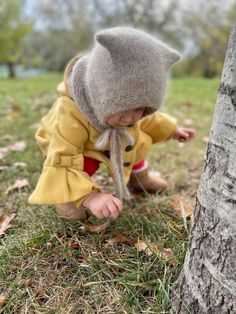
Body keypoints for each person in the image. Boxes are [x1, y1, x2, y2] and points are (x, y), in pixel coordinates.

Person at [28, 27, 195, 221]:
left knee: (134, 140)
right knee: (80, 166)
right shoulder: (70, 112)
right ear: (101, 94)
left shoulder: (132, 117)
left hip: (107, 139)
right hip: (70, 147)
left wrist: (173, 130)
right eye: (122, 109)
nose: (130, 118)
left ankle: (138, 177)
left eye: (140, 109)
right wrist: (91, 197)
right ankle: (71, 196)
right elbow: (63, 156)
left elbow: (150, 120)